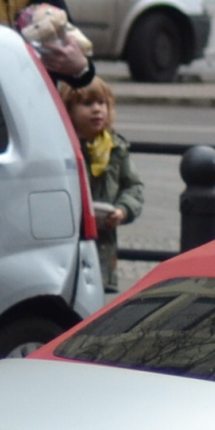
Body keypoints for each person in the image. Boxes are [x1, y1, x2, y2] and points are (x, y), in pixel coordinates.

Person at [65, 77, 144, 291]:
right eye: (88, 104)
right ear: (69, 109)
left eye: (102, 103)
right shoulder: (64, 147)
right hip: (72, 242)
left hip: (103, 247)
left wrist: (122, 210)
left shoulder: (115, 148)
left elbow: (134, 187)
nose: (97, 110)